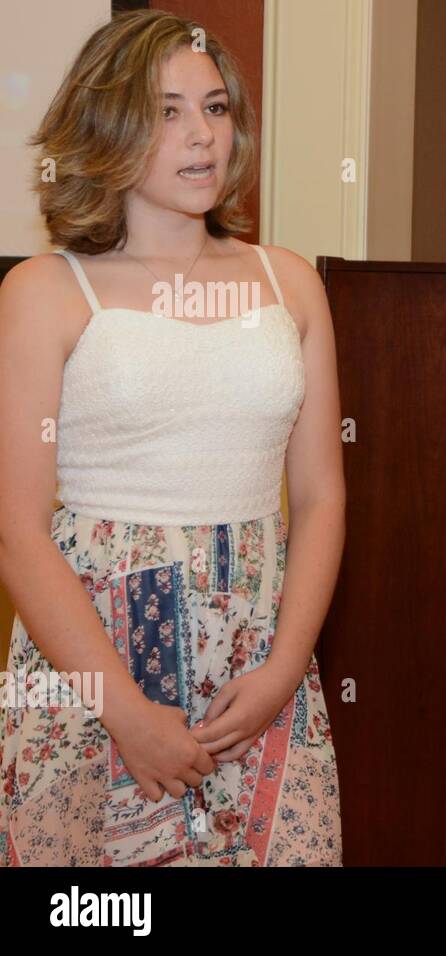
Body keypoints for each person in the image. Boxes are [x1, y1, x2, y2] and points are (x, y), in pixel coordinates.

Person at [0, 10, 344, 865]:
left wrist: (281, 671)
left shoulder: (290, 281)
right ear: (108, 123)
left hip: (259, 666)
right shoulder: (47, 289)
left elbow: (321, 496)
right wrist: (125, 712)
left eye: (217, 108)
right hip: (91, 669)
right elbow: (16, 528)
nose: (203, 136)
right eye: (167, 112)